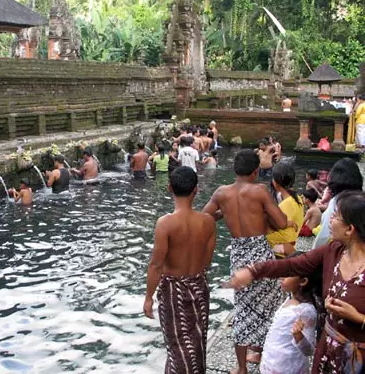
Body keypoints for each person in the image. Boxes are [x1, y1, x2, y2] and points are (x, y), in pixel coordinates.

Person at [228, 190, 365, 374]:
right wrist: (254, 271)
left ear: (350, 229)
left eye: (336, 216)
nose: (329, 218)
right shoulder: (334, 250)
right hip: (328, 349)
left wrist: (359, 318)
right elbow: (294, 265)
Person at [202, 150, 288, 374]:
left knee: (242, 309)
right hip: (260, 253)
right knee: (269, 306)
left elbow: (204, 215)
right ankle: (263, 354)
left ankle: (241, 367)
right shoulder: (259, 191)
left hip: (238, 255)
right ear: (256, 171)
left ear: (234, 170)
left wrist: (223, 213)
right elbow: (281, 222)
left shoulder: (222, 192)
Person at [144, 167, 216, 373]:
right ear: (196, 190)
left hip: (173, 292)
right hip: (199, 287)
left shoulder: (165, 224)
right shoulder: (208, 222)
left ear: (169, 188)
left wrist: (149, 297)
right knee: (197, 342)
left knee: (176, 346)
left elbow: (156, 265)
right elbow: (207, 261)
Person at [259, 251, 319, 374]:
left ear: (303, 282)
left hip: (287, 367)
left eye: (288, 274)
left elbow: (309, 350)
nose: (281, 276)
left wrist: (298, 336)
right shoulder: (290, 298)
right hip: (272, 362)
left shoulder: (306, 311)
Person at [313, 158, 363, 249]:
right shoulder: (360, 199)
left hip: (343, 249)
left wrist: (315, 253)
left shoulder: (338, 201)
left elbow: (324, 235)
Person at [268, 163, 303, 258]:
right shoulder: (298, 198)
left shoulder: (285, 204)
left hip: (281, 244)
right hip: (292, 238)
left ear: (275, 182)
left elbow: (276, 225)